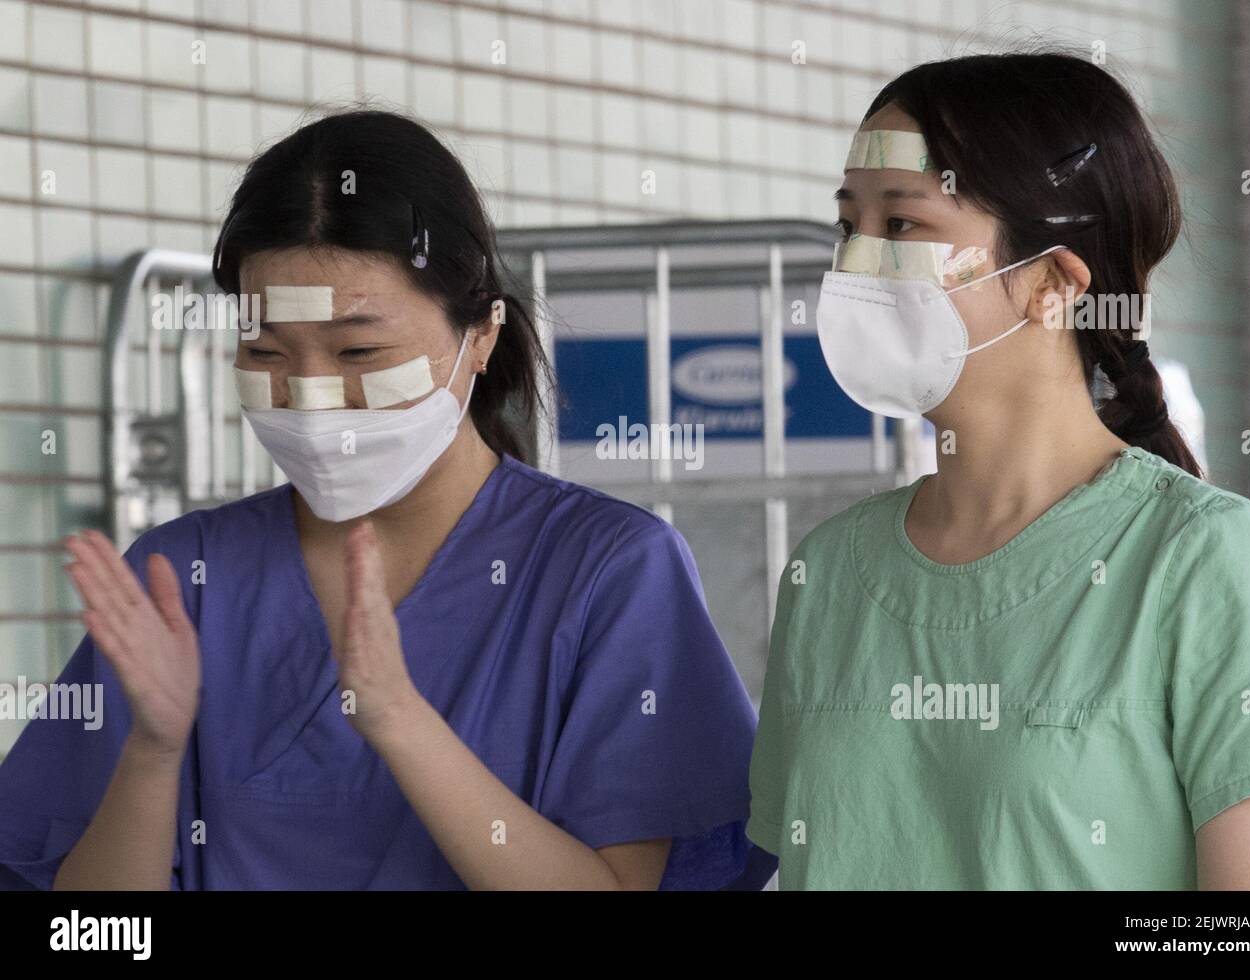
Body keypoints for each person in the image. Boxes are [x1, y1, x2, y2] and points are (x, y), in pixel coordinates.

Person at [0, 109, 774, 891]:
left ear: (481, 334)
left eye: (360, 352)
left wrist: (400, 720)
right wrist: (152, 754)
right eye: (265, 353)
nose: (310, 397)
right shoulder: (184, 577)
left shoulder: (606, 572)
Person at [747, 51, 1250, 889]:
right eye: (847, 227)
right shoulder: (823, 574)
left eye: (901, 227)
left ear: (1050, 284)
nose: (854, 267)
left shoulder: (1209, 564)